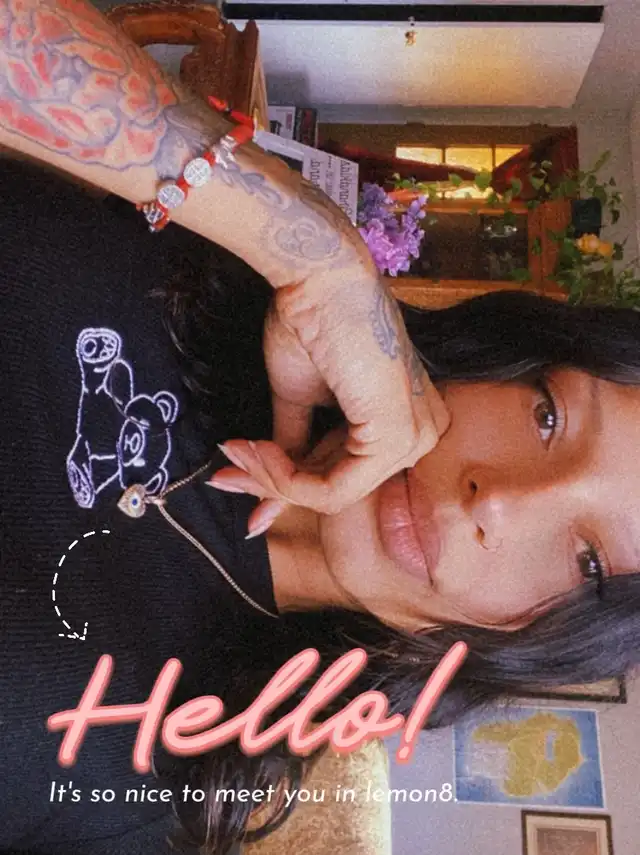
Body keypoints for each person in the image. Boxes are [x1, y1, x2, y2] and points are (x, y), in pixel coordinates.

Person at [0, 2, 639, 854]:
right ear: (504, 352)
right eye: (548, 414)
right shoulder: (207, 251)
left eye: (588, 562)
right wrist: (310, 249)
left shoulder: (143, 781)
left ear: (538, 646)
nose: (500, 501)